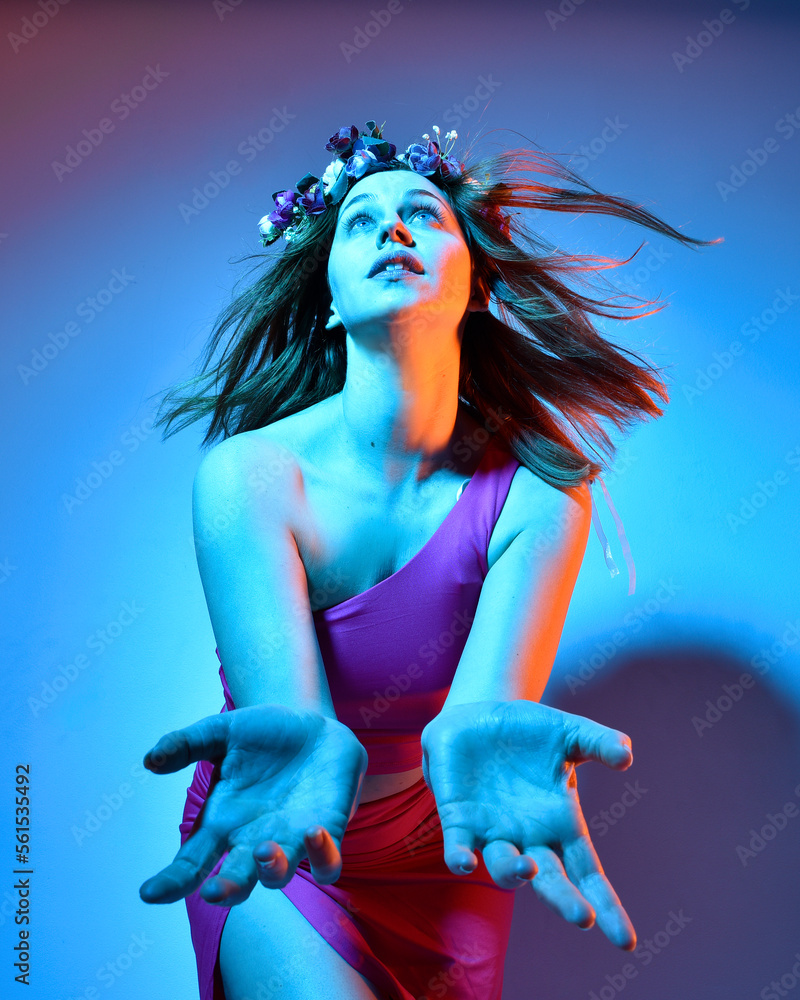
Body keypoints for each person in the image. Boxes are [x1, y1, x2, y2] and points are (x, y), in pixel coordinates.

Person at [138, 121, 720, 1000]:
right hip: (282, 833)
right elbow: (291, 730)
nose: (395, 229)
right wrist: (300, 774)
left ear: (479, 284)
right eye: (361, 221)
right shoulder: (249, 477)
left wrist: (484, 750)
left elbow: (481, 720)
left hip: (449, 844)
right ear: (329, 298)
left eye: (424, 214)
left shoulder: (539, 493)